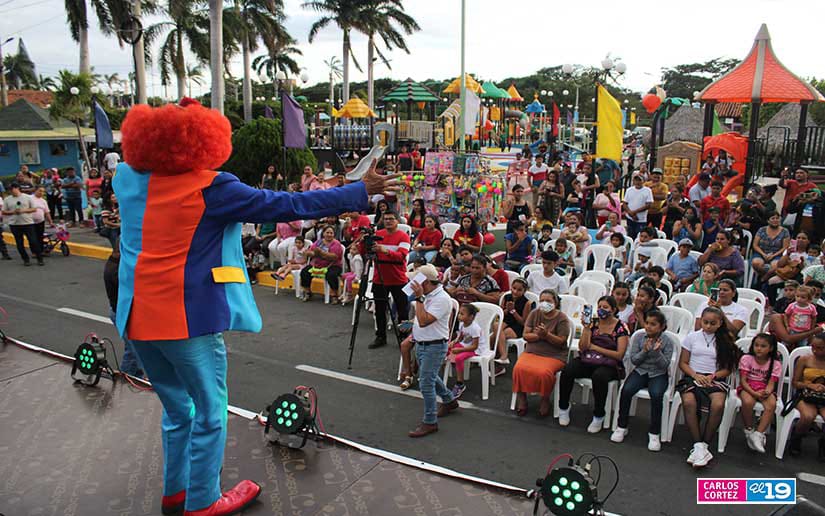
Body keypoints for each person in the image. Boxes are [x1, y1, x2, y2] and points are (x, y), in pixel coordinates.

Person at [113, 98, 399, 515]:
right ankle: (202, 502)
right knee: (209, 414)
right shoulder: (212, 188)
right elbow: (289, 205)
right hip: (185, 319)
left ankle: (176, 493)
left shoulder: (126, 178)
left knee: (177, 410)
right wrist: (360, 189)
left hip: (136, 317)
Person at [678, 306, 739, 468]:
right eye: (705, 322)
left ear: (720, 323)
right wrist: (695, 376)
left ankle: (705, 444)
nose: (708, 326)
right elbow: (683, 363)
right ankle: (698, 444)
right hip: (693, 376)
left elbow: (728, 368)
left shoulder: (725, 340)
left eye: (713, 323)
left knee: (718, 404)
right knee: (689, 402)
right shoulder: (692, 337)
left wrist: (712, 376)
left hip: (715, 377)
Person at [558, 295, 629, 433]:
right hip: (589, 359)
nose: (602, 310)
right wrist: (586, 329)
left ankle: (598, 415)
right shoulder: (593, 323)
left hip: (609, 364)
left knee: (599, 377)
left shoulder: (621, 327)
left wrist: (596, 348)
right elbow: (583, 347)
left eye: (605, 307)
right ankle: (563, 407)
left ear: (613, 310)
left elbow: (619, 354)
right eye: (600, 307)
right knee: (568, 370)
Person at [611, 309, 676, 451]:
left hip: (658, 374)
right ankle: (621, 426)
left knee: (656, 395)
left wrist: (657, 353)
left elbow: (664, 365)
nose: (648, 327)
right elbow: (634, 360)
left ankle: (654, 433)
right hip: (640, 371)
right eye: (647, 323)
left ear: (661, 326)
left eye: (653, 324)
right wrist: (645, 351)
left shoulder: (667, 342)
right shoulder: (639, 337)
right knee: (627, 390)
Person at [407, 264, 459, 437]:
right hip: (423, 343)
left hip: (434, 346)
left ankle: (430, 422)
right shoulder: (428, 295)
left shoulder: (441, 299)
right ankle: (449, 400)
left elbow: (424, 321)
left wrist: (418, 298)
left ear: (425, 283)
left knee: (426, 383)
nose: (412, 283)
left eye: (416, 280)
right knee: (429, 376)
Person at [513, 290, 571, 417]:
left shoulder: (562, 318)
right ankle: (522, 398)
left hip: (554, 355)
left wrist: (547, 335)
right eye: (542, 300)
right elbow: (526, 335)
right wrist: (540, 336)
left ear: (555, 303)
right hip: (532, 351)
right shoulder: (534, 314)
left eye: (548, 301)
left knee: (544, 373)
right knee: (518, 368)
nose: (544, 303)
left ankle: (545, 399)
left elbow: (561, 341)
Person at [369, 211, 411, 349]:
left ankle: (404, 336)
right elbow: (369, 252)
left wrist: (385, 251)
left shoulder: (403, 236)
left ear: (397, 221)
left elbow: (401, 256)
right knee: (379, 310)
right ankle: (380, 336)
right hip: (379, 278)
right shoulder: (378, 234)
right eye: (386, 219)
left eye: (391, 219)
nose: (388, 221)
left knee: (403, 310)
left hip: (398, 278)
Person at [104, 238, 143, 378]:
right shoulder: (116, 271)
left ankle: (131, 375)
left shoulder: (116, 264)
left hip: (120, 313)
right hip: (123, 315)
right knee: (136, 351)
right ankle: (129, 377)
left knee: (131, 349)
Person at [737, 333, 781, 454]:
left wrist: (767, 392)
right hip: (748, 386)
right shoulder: (746, 359)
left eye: (763, 346)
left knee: (771, 404)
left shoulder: (775, 363)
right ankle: (749, 429)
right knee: (747, 402)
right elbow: (743, 381)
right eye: (756, 345)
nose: (759, 348)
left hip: (763, 387)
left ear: (771, 348)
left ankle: (758, 434)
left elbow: (771, 383)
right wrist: (754, 393)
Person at [787, 333, 825, 458]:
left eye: (820, 348)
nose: (815, 351)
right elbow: (795, 382)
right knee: (808, 416)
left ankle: (823, 443)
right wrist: (810, 386)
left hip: (823, 396)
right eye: (813, 347)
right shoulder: (804, 359)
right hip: (805, 394)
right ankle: (797, 437)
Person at [446, 303, 483, 399]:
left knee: (459, 358)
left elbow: (474, 346)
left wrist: (460, 350)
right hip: (465, 345)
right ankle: (441, 373)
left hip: (476, 350)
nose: (459, 315)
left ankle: (460, 384)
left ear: (471, 317)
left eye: (462, 314)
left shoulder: (475, 328)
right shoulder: (462, 324)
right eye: (459, 313)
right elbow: (460, 337)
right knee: (446, 348)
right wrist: (453, 342)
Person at [2, 182, 44, 266]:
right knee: (19, 243)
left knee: (33, 241)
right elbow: (4, 211)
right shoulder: (7, 199)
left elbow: (34, 209)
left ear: (17, 188)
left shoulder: (27, 197)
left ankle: (39, 258)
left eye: (12, 189)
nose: (10, 191)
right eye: (9, 190)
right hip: (14, 224)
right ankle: (25, 259)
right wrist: (13, 212)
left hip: (27, 223)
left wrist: (23, 211)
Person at [751, 212, 790, 281]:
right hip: (761, 253)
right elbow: (755, 245)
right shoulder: (761, 230)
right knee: (756, 263)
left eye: (777, 218)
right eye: (773, 218)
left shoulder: (785, 231)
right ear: (768, 220)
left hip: (777, 254)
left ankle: (764, 279)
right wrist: (763, 254)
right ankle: (764, 276)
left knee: (775, 266)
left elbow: (785, 247)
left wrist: (773, 255)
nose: (775, 220)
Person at [623, 173, 653, 238]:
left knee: (639, 236)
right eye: (636, 180)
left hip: (641, 219)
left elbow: (648, 205)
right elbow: (625, 203)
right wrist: (630, 213)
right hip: (630, 218)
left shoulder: (648, 190)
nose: (637, 182)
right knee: (630, 235)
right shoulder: (629, 190)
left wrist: (634, 212)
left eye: (639, 180)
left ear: (643, 181)